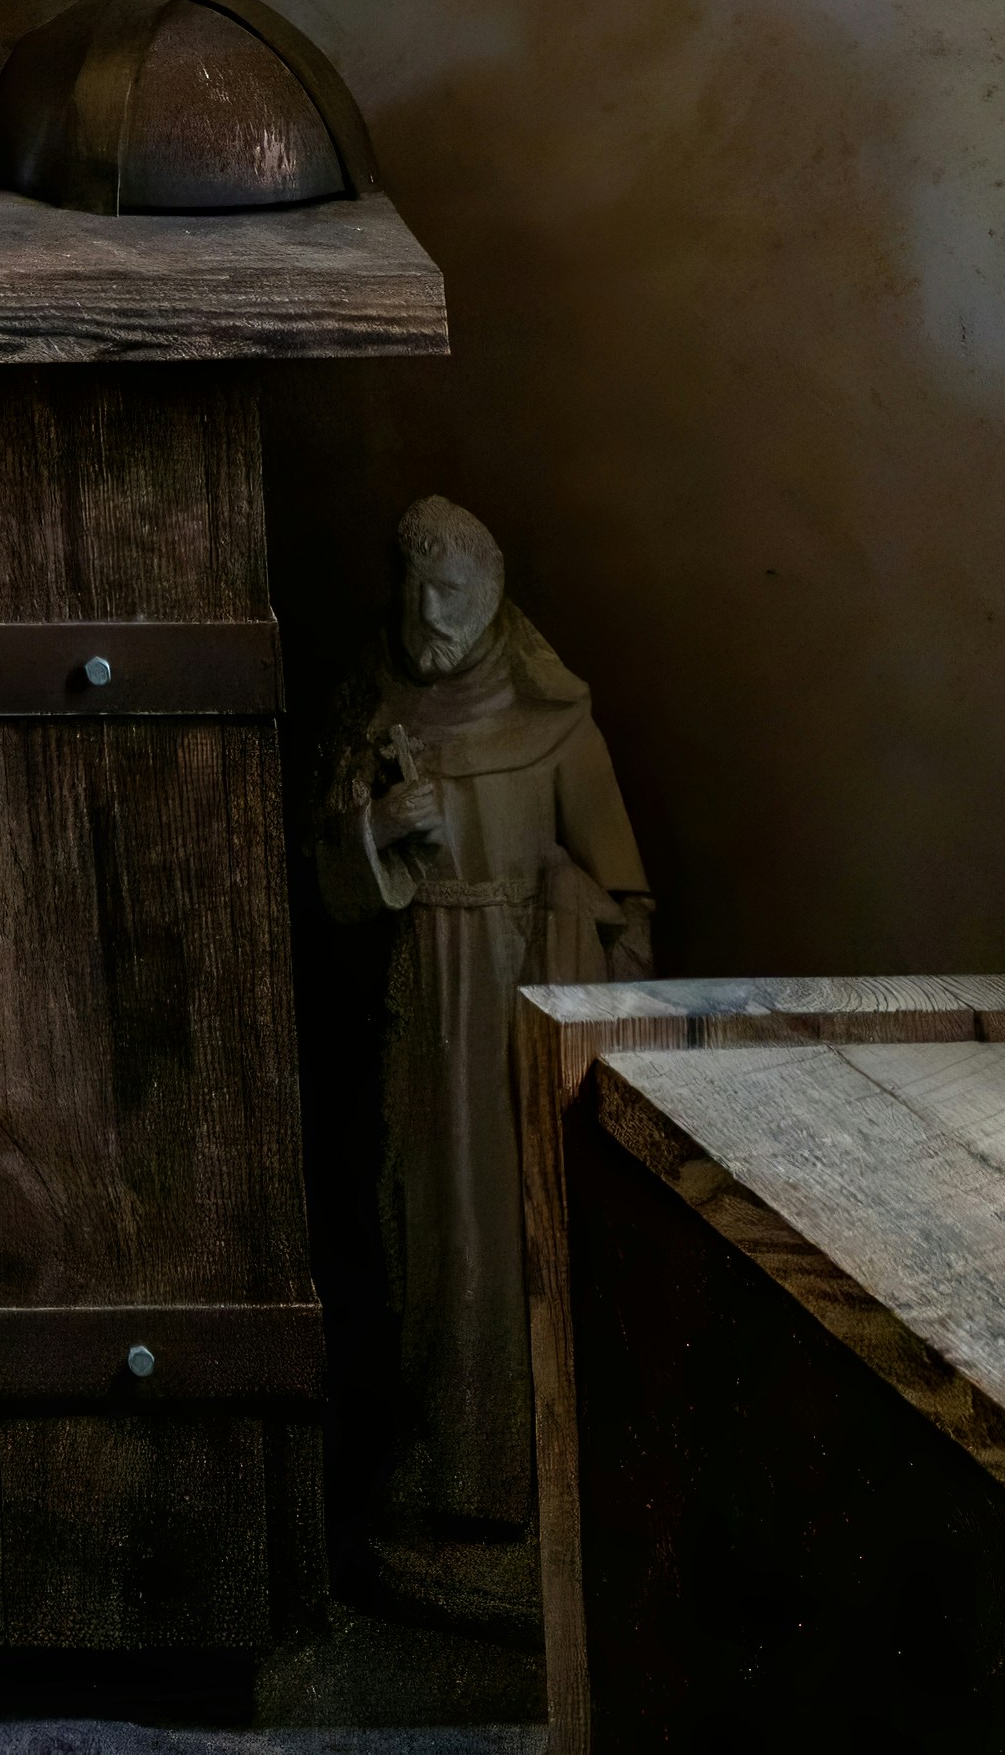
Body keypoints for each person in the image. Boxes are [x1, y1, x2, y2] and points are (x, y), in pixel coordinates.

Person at [318, 491, 652, 1617]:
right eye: (413, 588)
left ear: (492, 591)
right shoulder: (372, 711)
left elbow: (625, 899)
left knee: (517, 1240)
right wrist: (379, 834)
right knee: (428, 1231)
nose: (430, 612)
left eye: (450, 591)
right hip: (427, 1007)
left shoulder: (557, 722)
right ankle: (445, 1480)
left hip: (524, 1010)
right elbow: (325, 889)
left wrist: (583, 957)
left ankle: (523, 1497)